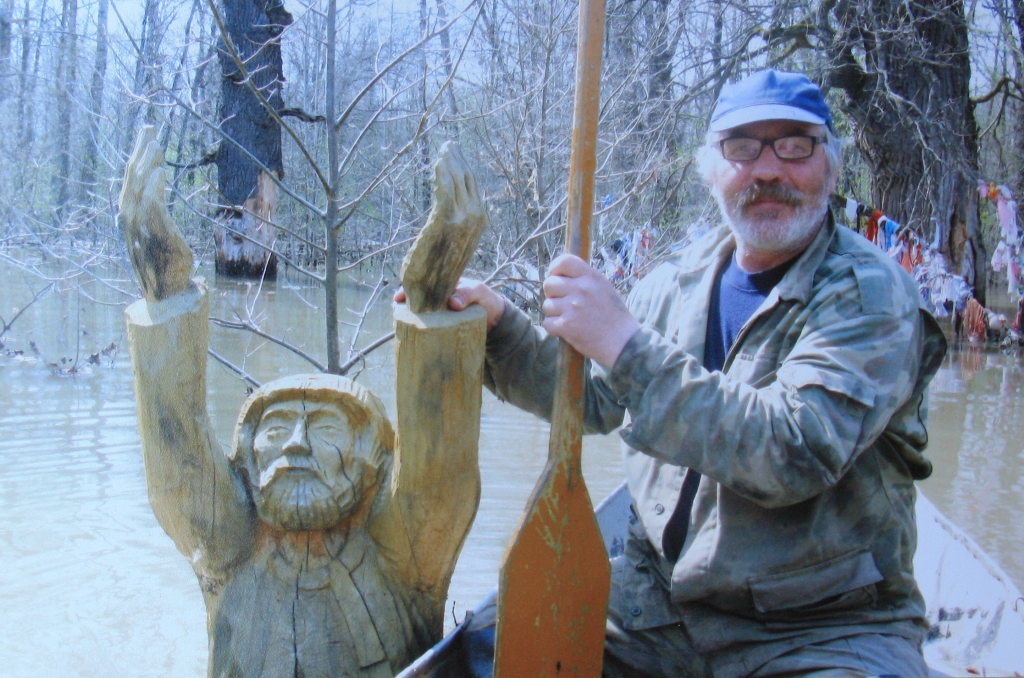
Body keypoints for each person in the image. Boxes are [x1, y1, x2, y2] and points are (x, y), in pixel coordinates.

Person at [441, 70, 947, 677]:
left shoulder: (873, 296)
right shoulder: (672, 282)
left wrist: (622, 342)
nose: (767, 169)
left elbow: (794, 449)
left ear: (830, 169)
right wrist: (498, 327)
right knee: (485, 654)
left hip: (820, 629)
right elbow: (592, 401)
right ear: (712, 171)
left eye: (794, 144)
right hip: (658, 611)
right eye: (742, 147)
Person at [121, 128, 478, 678]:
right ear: (247, 457)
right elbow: (180, 469)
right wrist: (166, 295)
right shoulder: (232, 548)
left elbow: (440, 475)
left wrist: (431, 305)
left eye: (327, 428)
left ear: (371, 459)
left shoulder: (401, 554)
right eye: (278, 426)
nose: (295, 443)